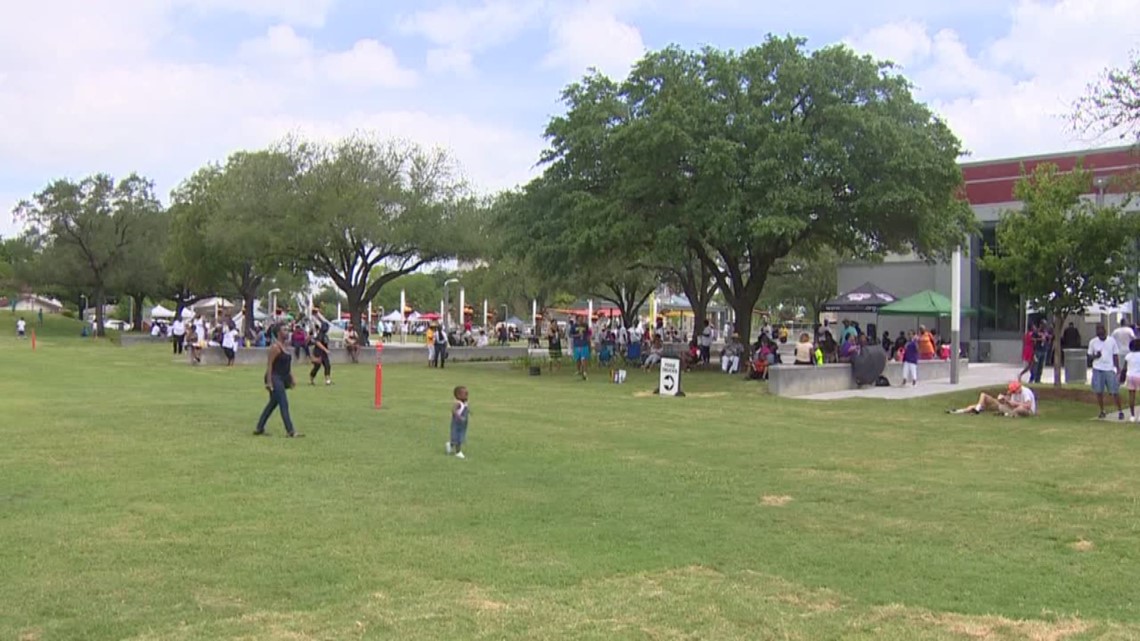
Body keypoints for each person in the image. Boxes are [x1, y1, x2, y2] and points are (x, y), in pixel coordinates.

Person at [255, 325, 301, 437]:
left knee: (272, 404)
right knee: (283, 403)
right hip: (275, 378)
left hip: (282, 377)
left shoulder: (285, 346)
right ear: (278, 333)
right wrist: (269, 382)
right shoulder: (275, 347)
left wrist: (291, 377)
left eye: (287, 330)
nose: (287, 332)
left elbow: (286, 366)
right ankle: (290, 431)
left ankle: (259, 427)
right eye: (284, 330)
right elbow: (270, 365)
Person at [1088, 323, 1125, 420]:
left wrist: (1117, 368)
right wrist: (1096, 356)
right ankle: (1102, 411)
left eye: (1101, 329)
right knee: (1099, 391)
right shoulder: (1093, 342)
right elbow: (1089, 357)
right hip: (1097, 369)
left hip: (1109, 369)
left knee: (1114, 391)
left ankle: (1120, 411)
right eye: (1098, 330)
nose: (1099, 332)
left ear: (1105, 330)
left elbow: (1115, 355)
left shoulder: (1111, 341)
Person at [949, 380, 1037, 417]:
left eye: (1014, 391)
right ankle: (960, 411)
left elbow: (1028, 406)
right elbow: (1009, 401)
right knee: (983, 396)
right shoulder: (1013, 393)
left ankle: (1007, 414)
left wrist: (1014, 404)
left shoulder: (1025, 392)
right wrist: (1004, 399)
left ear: (1018, 389)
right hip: (1010, 408)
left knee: (1020, 408)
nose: (1012, 393)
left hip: (1025, 410)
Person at [445, 385, 470, 460]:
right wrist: (459, 417)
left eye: (467, 394)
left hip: (463, 425)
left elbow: (465, 409)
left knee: (459, 437)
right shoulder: (458, 403)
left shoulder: (465, 403)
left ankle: (450, 444)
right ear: (458, 395)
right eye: (464, 394)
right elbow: (453, 411)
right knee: (458, 438)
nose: (466, 395)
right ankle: (458, 452)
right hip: (457, 424)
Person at [1121, 338, 1140, 422]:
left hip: (1130, 376)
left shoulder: (1128, 356)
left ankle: (1132, 415)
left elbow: (1124, 368)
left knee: (1131, 396)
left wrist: (1122, 378)